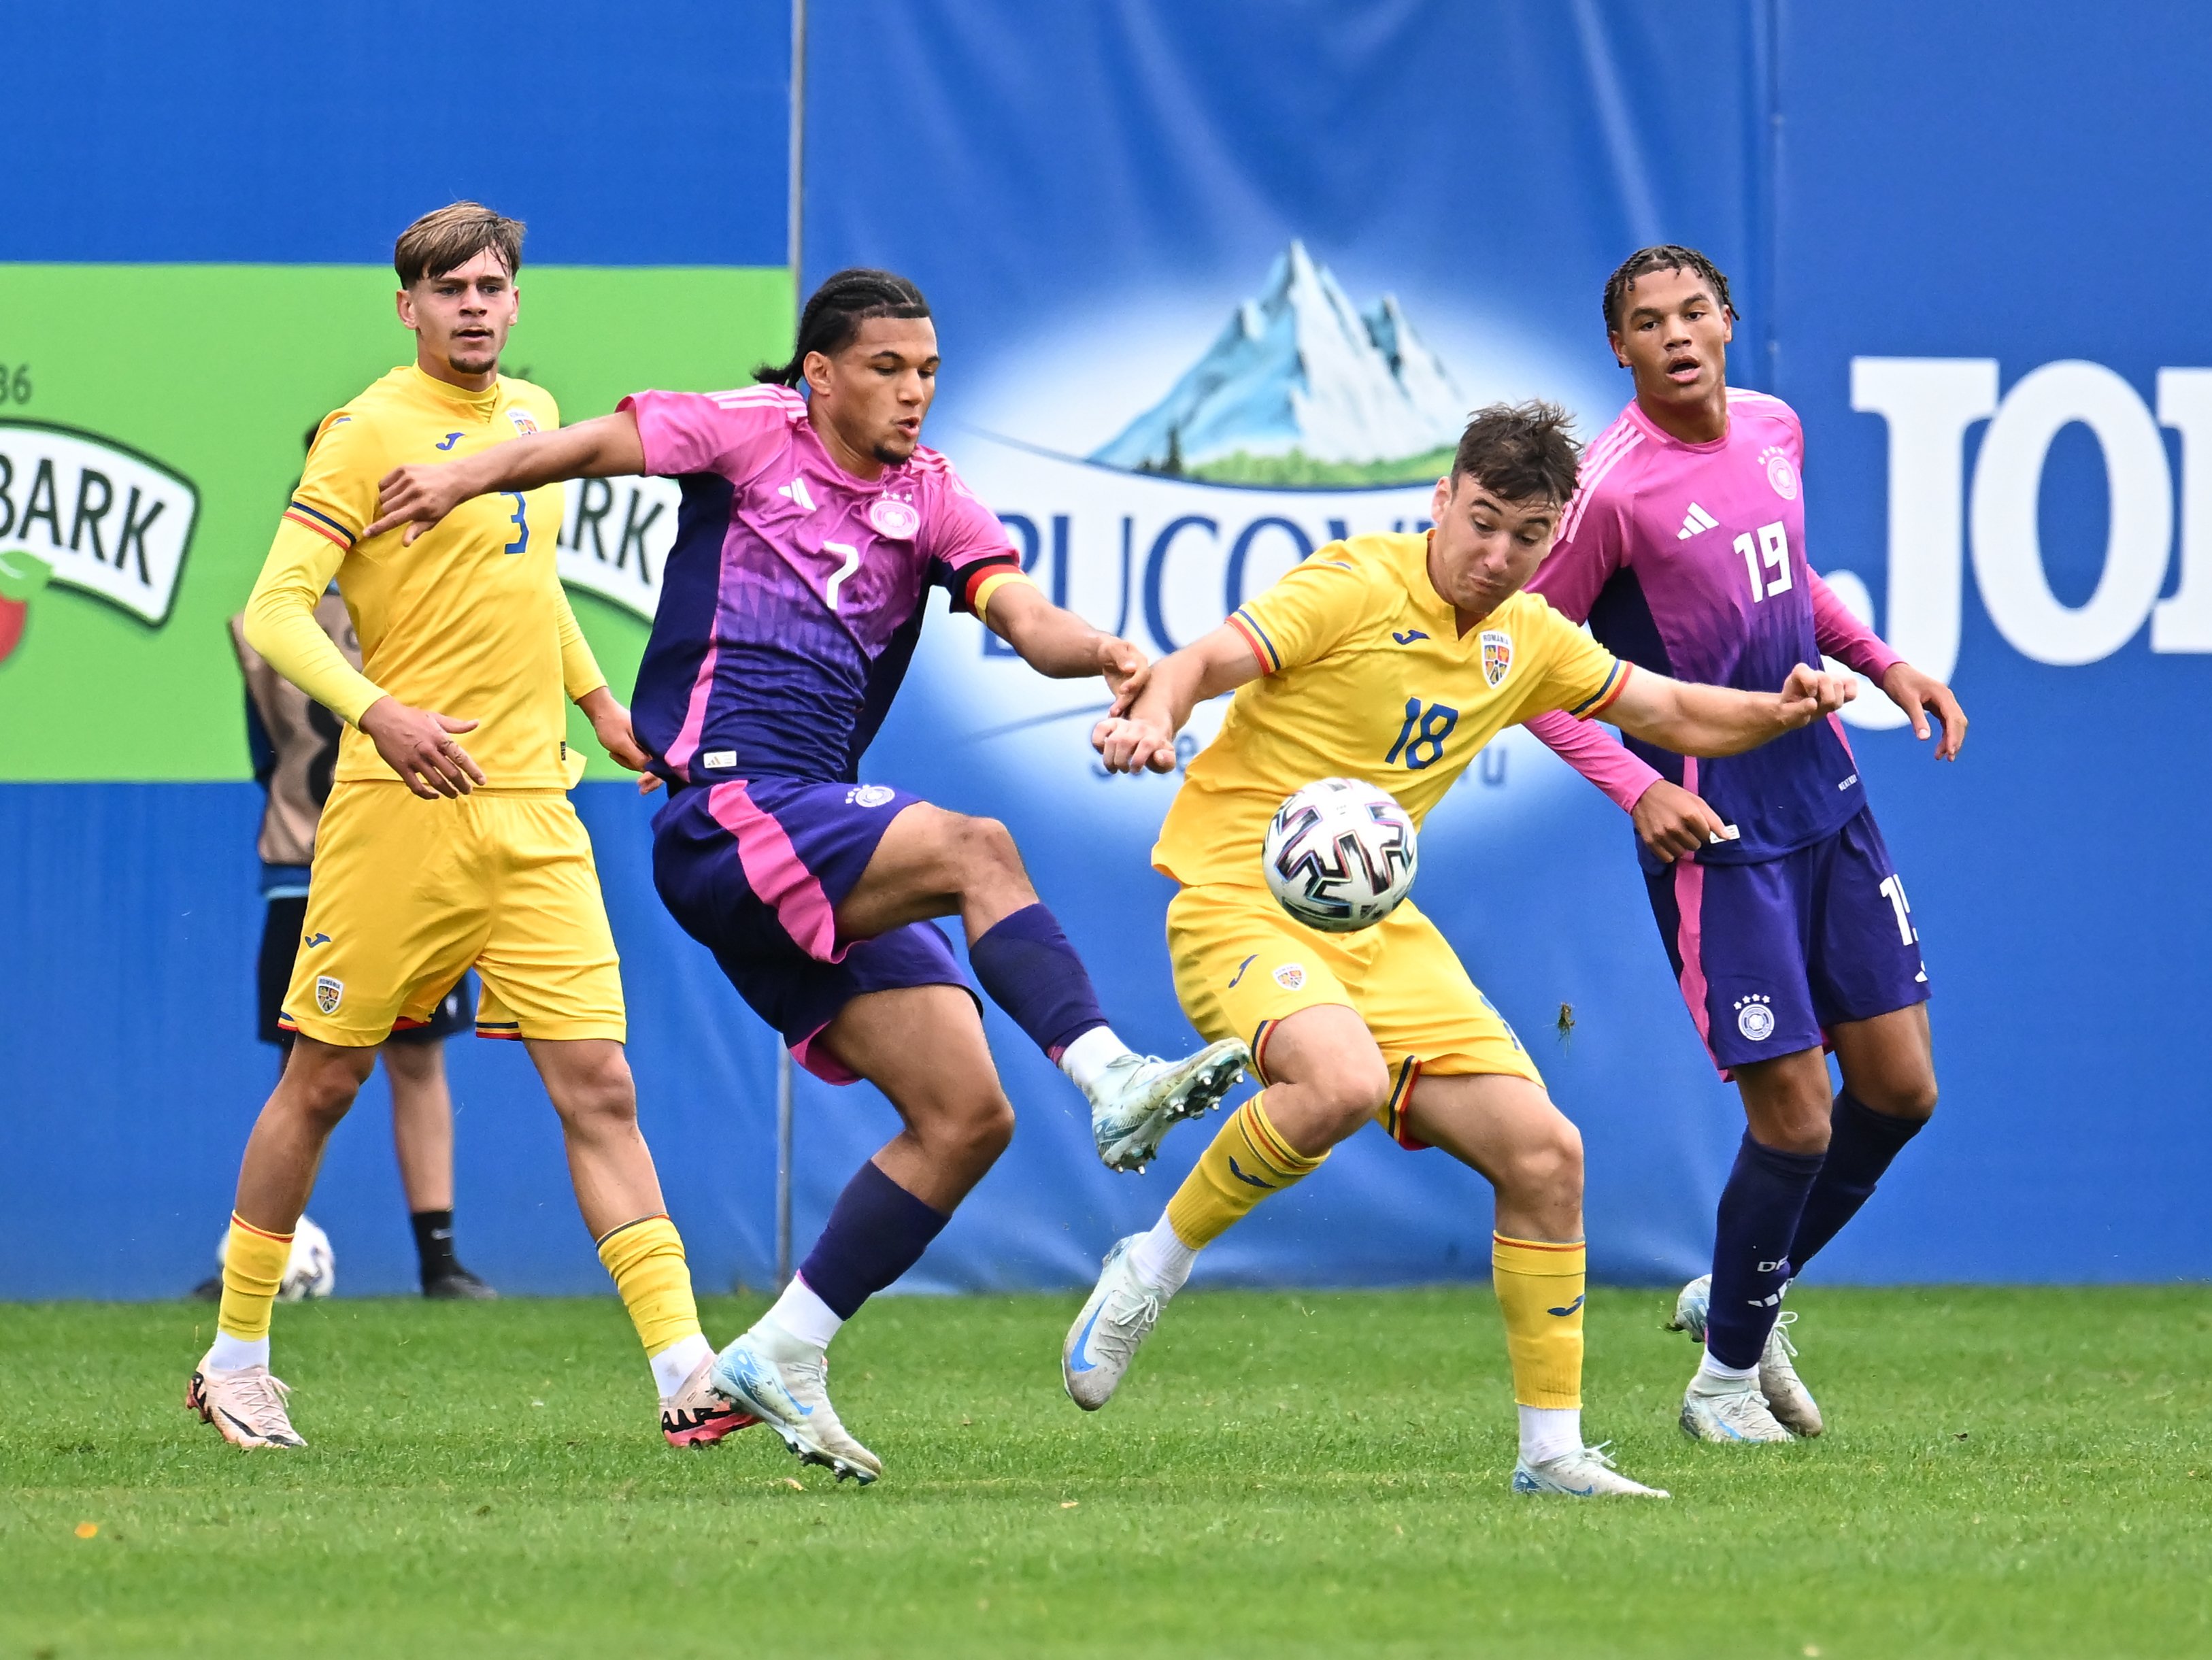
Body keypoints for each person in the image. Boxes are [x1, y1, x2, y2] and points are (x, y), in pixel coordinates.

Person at [363, 267, 1249, 1487]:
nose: (912, 392)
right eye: (887, 368)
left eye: (928, 371)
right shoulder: (746, 433)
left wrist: (1100, 649)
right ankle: (1111, 1080)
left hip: (807, 824)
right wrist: (461, 472)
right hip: (728, 808)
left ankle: (785, 1348)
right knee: (977, 847)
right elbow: (590, 447)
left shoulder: (930, 497)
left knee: (964, 1118)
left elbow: (1021, 616)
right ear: (820, 372)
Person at [1072, 401, 1856, 1498]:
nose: (1495, 555)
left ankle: (1551, 1455)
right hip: (1238, 899)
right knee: (1335, 1081)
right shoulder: (1353, 583)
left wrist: (1779, 709)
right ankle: (1152, 1265)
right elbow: (1205, 659)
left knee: (1544, 1156)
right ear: (1440, 500)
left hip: (1380, 935)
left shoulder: (1525, 638)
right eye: (1480, 521)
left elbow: (1671, 711)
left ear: (1552, 539)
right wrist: (1152, 719)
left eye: (1526, 536)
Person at [187, 201, 745, 1454]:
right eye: (450, 291)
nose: (477, 307)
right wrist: (378, 713)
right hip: (401, 811)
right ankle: (235, 1357)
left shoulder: (538, 419)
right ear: (409, 307)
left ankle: (685, 1369)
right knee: (323, 1079)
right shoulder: (365, 432)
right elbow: (277, 613)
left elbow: (526, 584)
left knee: (599, 1083)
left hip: (535, 808)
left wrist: (598, 701)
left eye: (493, 285)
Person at [1520, 245, 1966, 1444]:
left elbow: (1789, 580)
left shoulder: (1772, 428)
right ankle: (1721, 1384)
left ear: (1727, 320)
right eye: (1646, 321)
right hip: (1711, 829)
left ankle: (1737, 1293)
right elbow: (1527, 670)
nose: (1674, 334)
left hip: (1825, 794)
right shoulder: (1604, 493)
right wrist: (1632, 790)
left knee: (1899, 1089)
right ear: (1616, 348)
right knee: (1794, 1118)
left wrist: (1882, 662)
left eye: (1692, 312)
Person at [210, 454, 492, 1301]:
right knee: (385, 1066)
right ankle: (426, 1259)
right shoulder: (423, 614)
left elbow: (268, 759)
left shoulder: (261, 624)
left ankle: (270, 1258)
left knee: (317, 1072)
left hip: (312, 863)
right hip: (377, 855)